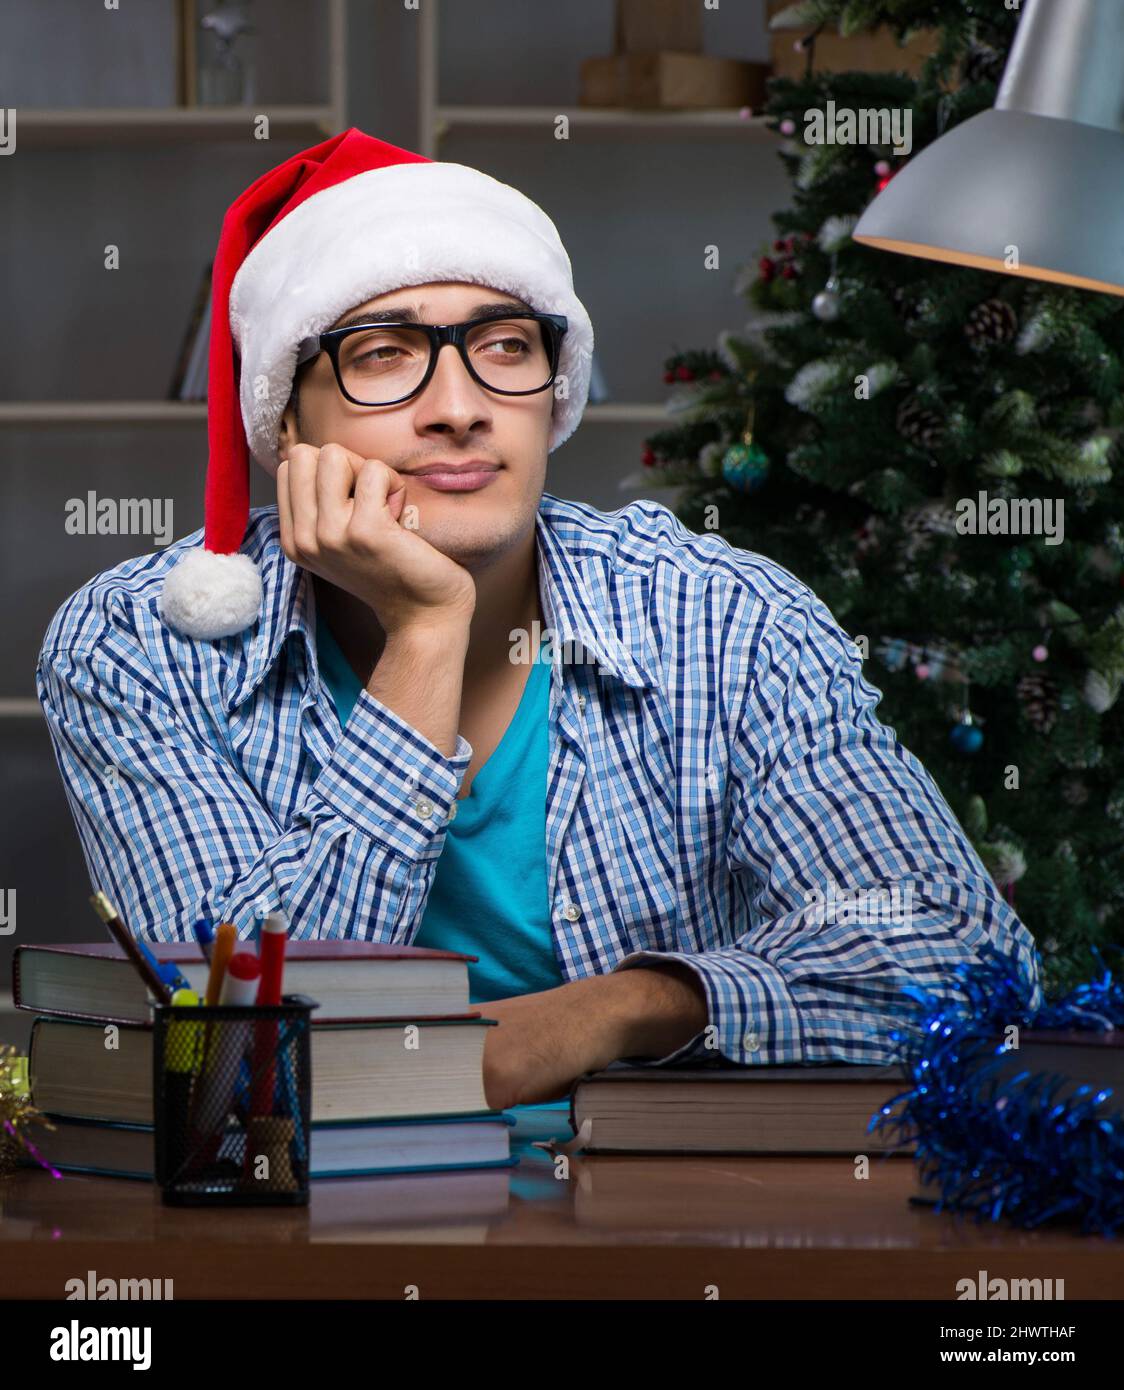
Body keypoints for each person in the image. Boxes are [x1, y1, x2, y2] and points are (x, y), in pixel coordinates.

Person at [37, 129, 1041, 1114]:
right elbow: (246, 1053)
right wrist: (426, 629)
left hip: (652, 1208)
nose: (459, 406)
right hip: (309, 1208)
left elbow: (967, 966)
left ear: (551, 392)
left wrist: (620, 1009)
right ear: (287, 421)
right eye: (383, 355)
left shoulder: (725, 619)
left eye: (504, 346)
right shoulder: (138, 645)